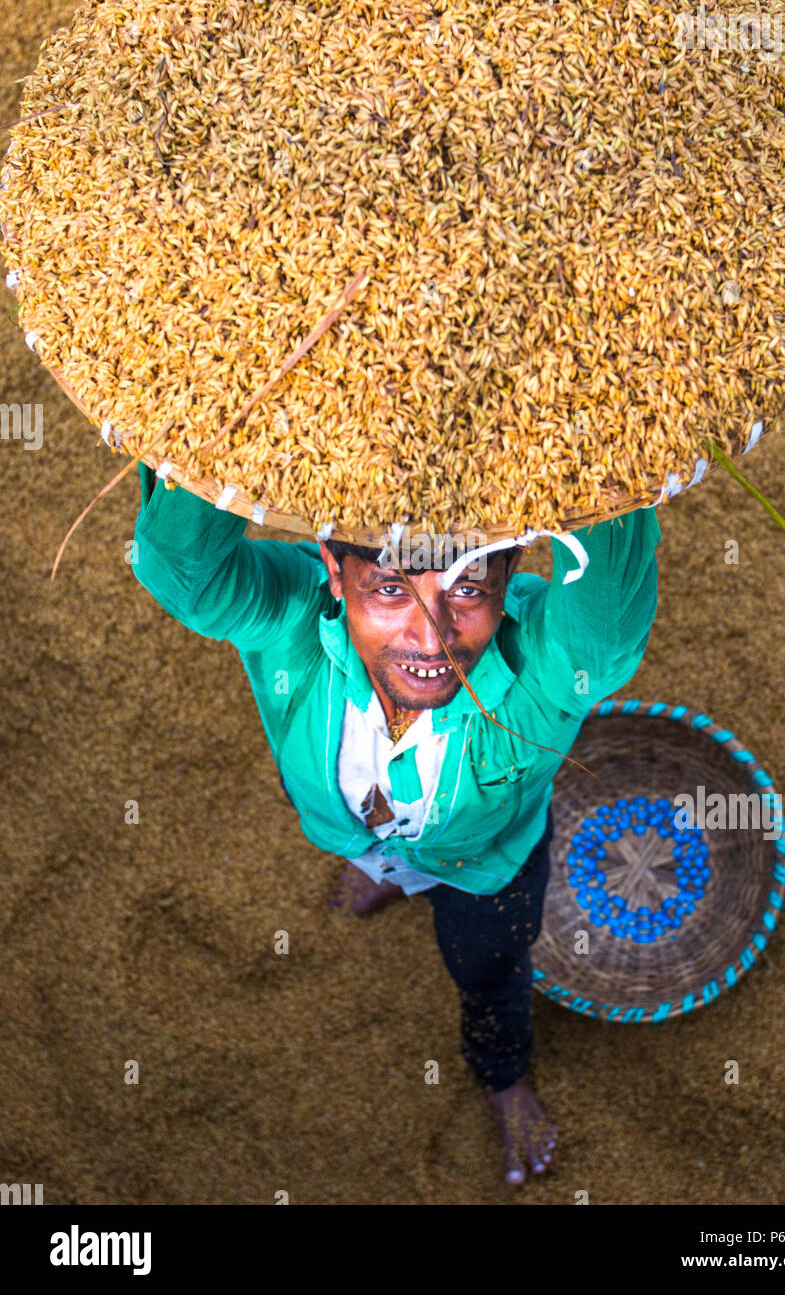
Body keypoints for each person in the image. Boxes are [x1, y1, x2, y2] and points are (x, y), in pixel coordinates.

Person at [131, 464, 661, 1186]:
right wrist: (237, 435)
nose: (430, 635)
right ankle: (382, 867)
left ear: (510, 572)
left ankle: (503, 1075)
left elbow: (601, 637)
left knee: (489, 971)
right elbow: (184, 573)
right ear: (334, 572)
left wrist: (603, 457)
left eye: (468, 589)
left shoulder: (542, 666)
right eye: (389, 588)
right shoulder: (293, 614)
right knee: (369, 845)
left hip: (487, 868)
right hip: (344, 824)